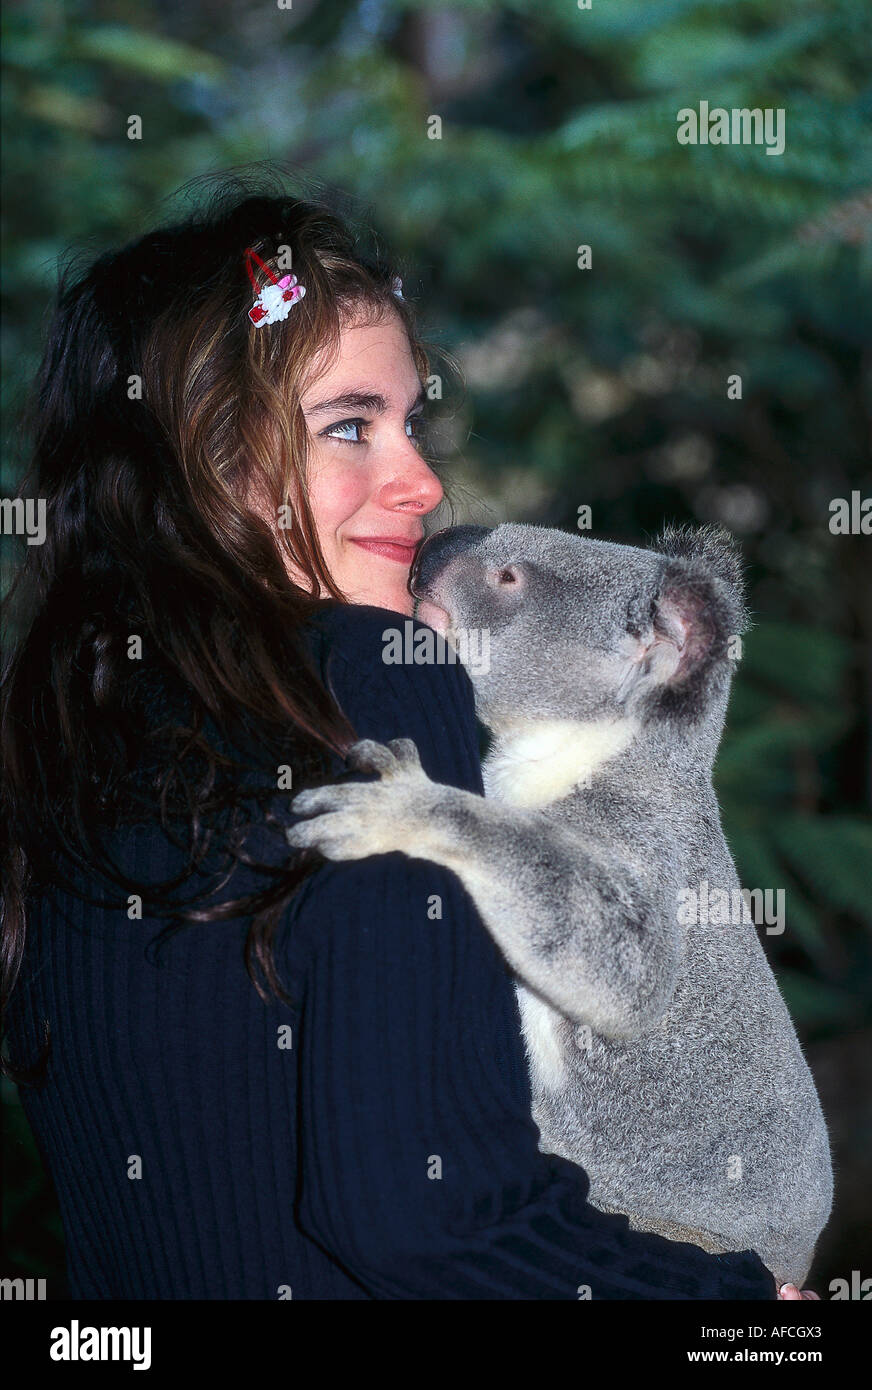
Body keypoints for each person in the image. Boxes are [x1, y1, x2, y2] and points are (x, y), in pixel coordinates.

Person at [1, 177, 782, 1299]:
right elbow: (429, 1218)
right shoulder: (374, 675)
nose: (419, 483)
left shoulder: (61, 723)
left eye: (411, 422)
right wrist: (736, 1307)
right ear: (202, 460)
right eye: (348, 427)